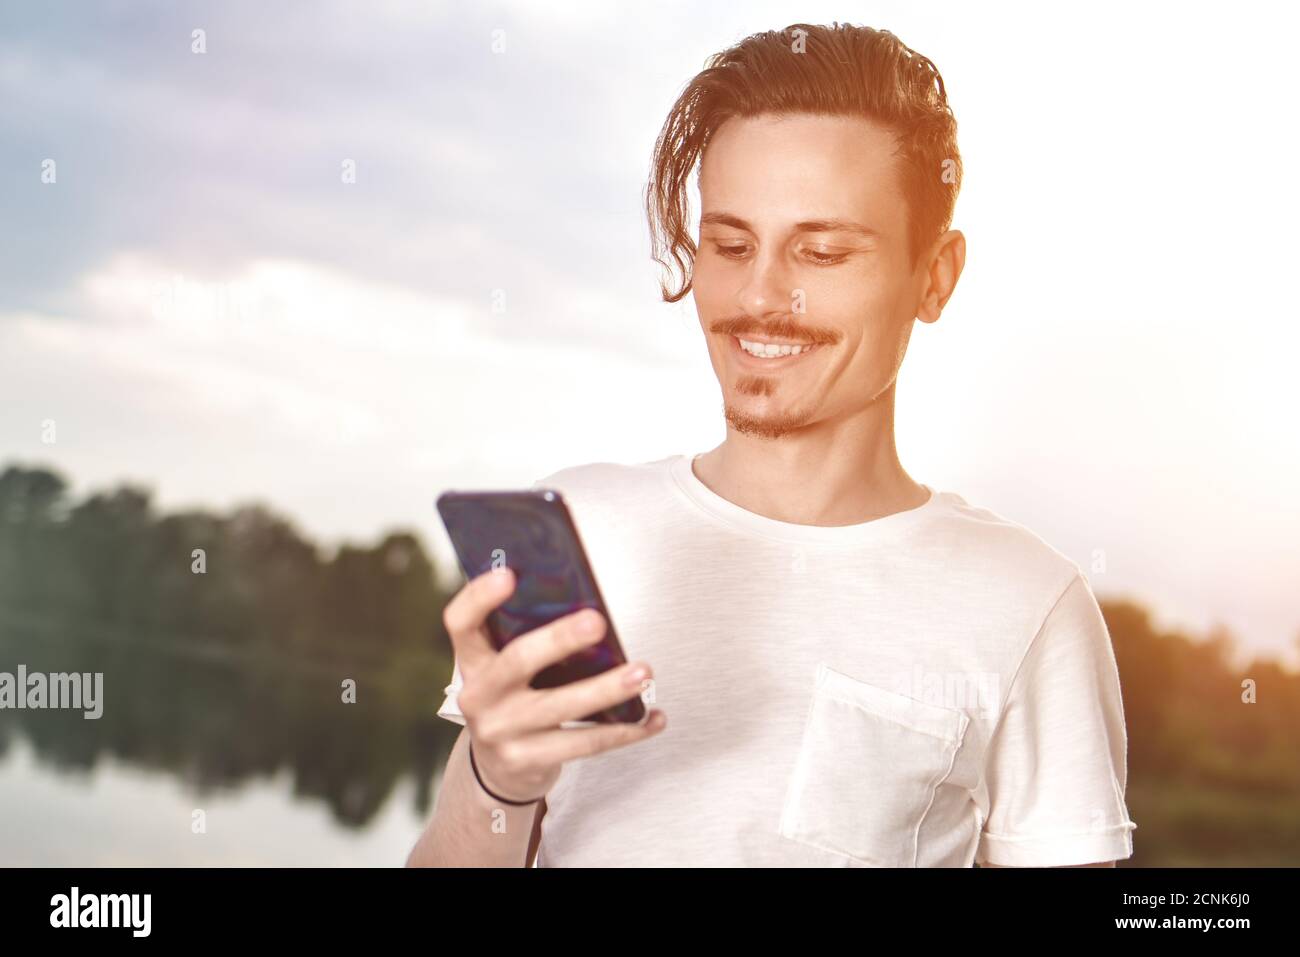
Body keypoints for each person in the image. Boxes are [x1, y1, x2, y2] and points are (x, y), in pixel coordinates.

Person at [407, 21, 1136, 868]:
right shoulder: (583, 530)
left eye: (820, 251)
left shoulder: (1028, 603)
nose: (759, 296)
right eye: (730, 244)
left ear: (933, 276)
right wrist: (498, 776)